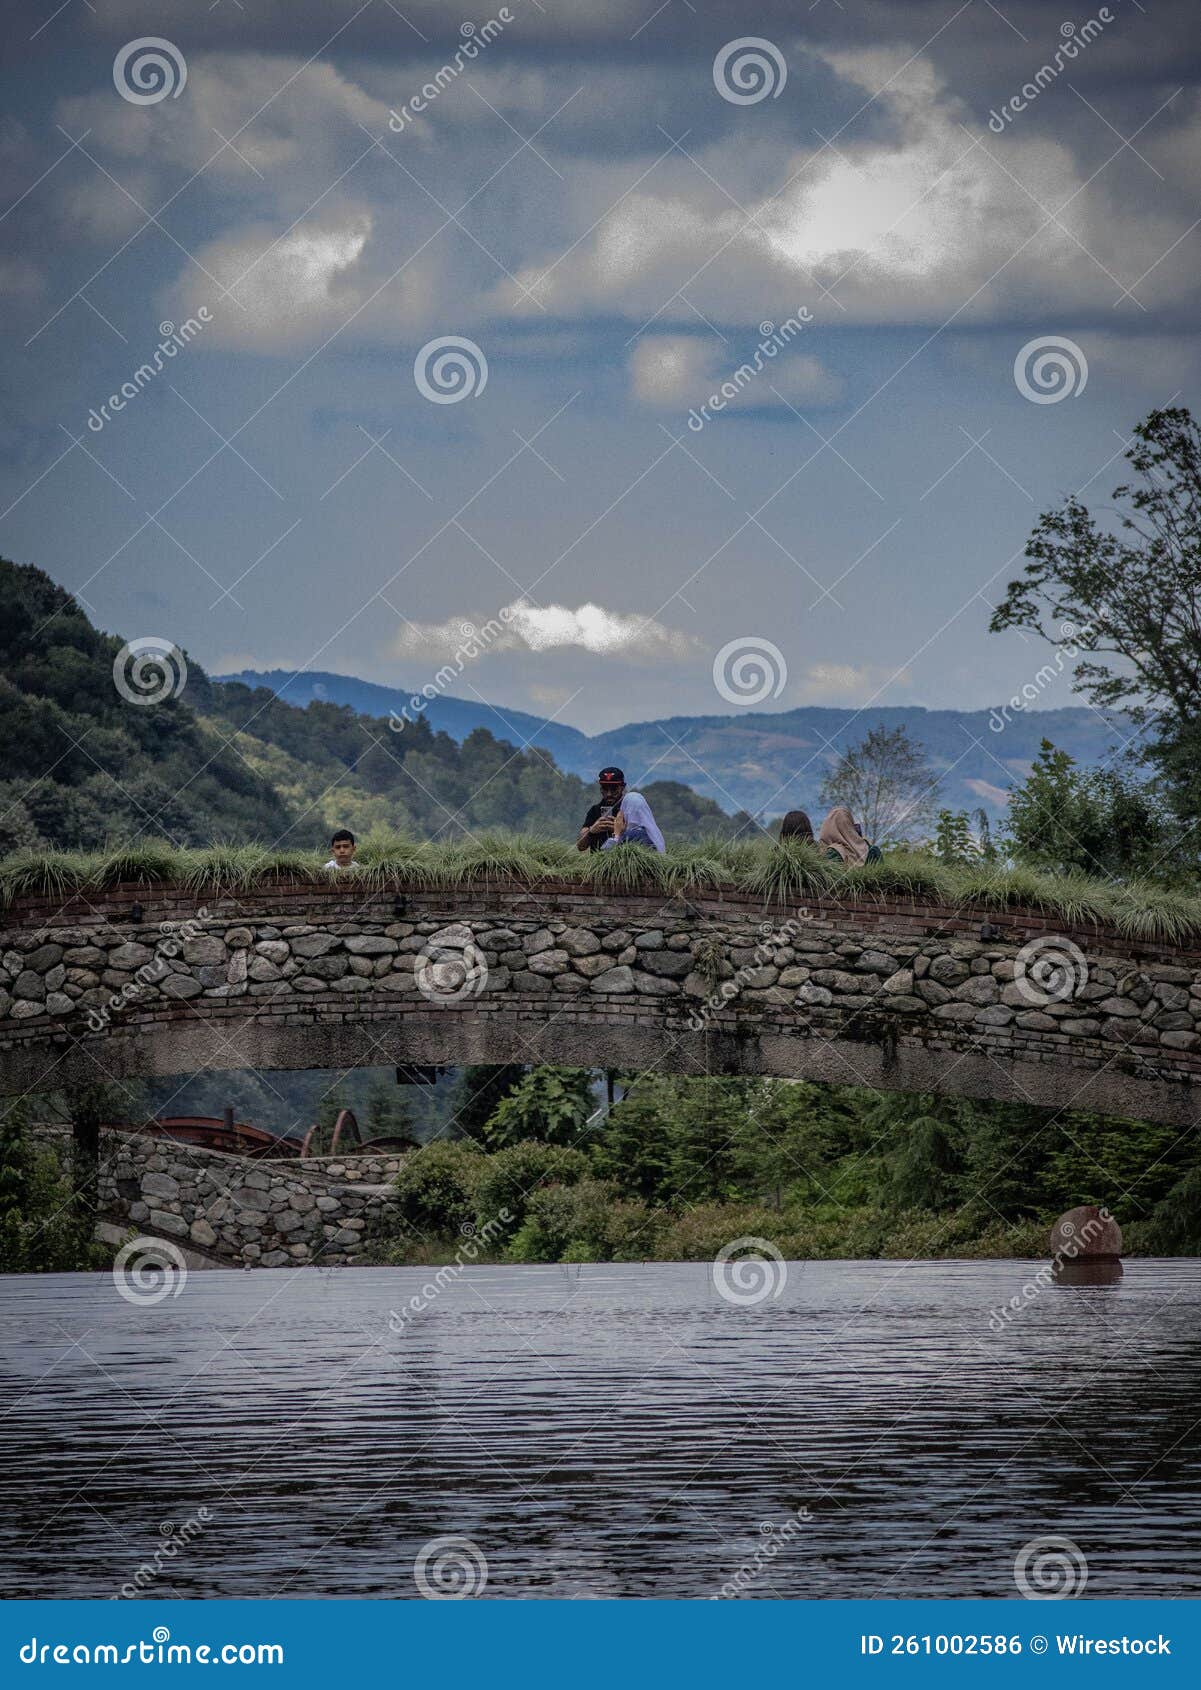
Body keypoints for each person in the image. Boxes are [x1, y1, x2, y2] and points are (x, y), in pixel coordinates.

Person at [577, 767, 628, 852]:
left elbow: (643, 842)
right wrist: (592, 831)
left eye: (614, 789)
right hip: (598, 863)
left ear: (622, 788)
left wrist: (621, 831)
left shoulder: (629, 810)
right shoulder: (595, 810)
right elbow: (580, 847)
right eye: (605, 789)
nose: (609, 794)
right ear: (601, 789)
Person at [600, 787, 666, 854]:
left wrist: (616, 834)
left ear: (627, 811)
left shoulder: (630, 835)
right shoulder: (652, 834)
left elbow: (605, 853)